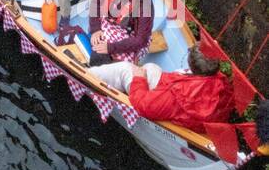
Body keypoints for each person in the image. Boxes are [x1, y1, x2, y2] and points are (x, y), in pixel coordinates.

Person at [92, 47, 235, 131]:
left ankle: (88, 74)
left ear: (192, 64)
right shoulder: (222, 82)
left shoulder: (178, 93)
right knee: (151, 68)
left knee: (125, 68)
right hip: (194, 120)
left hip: (166, 105)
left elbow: (143, 105)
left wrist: (139, 79)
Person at [88, 0, 154, 67]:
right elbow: (96, 3)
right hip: (110, 24)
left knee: (104, 59)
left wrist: (110, 47)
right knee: (98, 54)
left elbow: (140, 40)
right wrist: (95, 29)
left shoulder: (144, 4)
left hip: (130, 38)